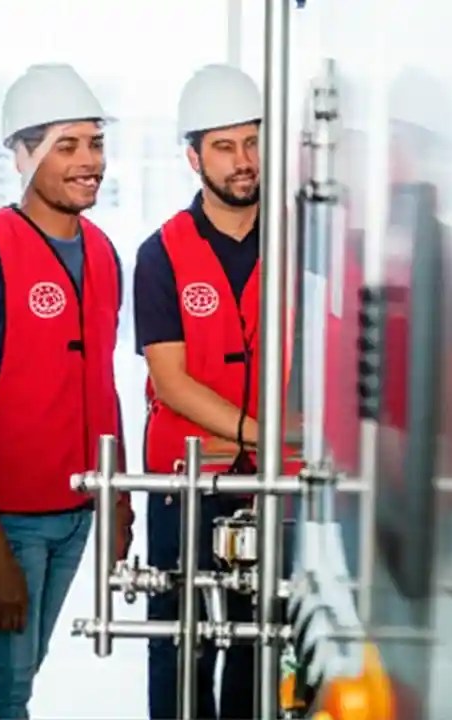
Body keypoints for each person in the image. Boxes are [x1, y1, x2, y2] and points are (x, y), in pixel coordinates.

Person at [0, 62, 132, 719]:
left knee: (20, 679)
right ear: (23, 155)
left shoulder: (103, 253)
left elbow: (101, 384)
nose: (89, 162)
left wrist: (119, 498)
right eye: (66, 147)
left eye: (95, 143)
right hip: (7, 518)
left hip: (77, 510)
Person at [135, 63, 299, 720]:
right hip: (188, 483)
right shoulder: (160, 254)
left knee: (262, 645)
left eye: (252, 143)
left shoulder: (300, 243)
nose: (243, 161)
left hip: (277, 485)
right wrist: (262, 434)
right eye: (225, 146)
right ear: (194, 157)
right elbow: (170, 380)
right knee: (182, 645)